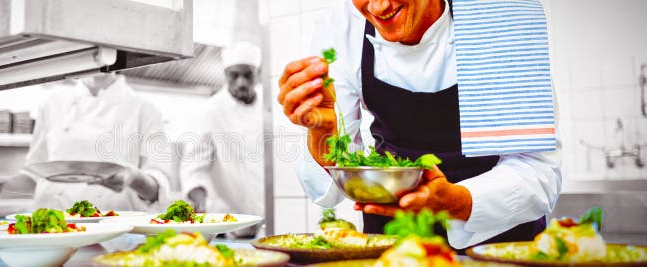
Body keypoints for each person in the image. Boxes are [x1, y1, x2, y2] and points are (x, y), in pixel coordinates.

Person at [277, 0, 561, 249]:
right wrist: (321, 132)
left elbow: (539, 173)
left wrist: (455, 201)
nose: (378, 7)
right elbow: (330, 189)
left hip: (500, 244)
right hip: (393, 245)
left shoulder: (502, 16)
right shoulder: (341, 26)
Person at [0, 73, 170, 212]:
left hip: (113, 235)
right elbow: (36, 175)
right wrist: (1, 183)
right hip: (52, 230)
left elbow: (158, 191)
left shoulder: (146, 109)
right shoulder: (51, 104)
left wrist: (134, 177)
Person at [180, 42, 264, 237]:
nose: (241, 82)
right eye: (234, 75)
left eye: (248, 75)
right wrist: (199, 203)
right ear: (225, 75)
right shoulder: (210, 112)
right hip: (226, 224)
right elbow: (193, 168)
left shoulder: (269, 109)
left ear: (258, 74)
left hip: (267, 221)